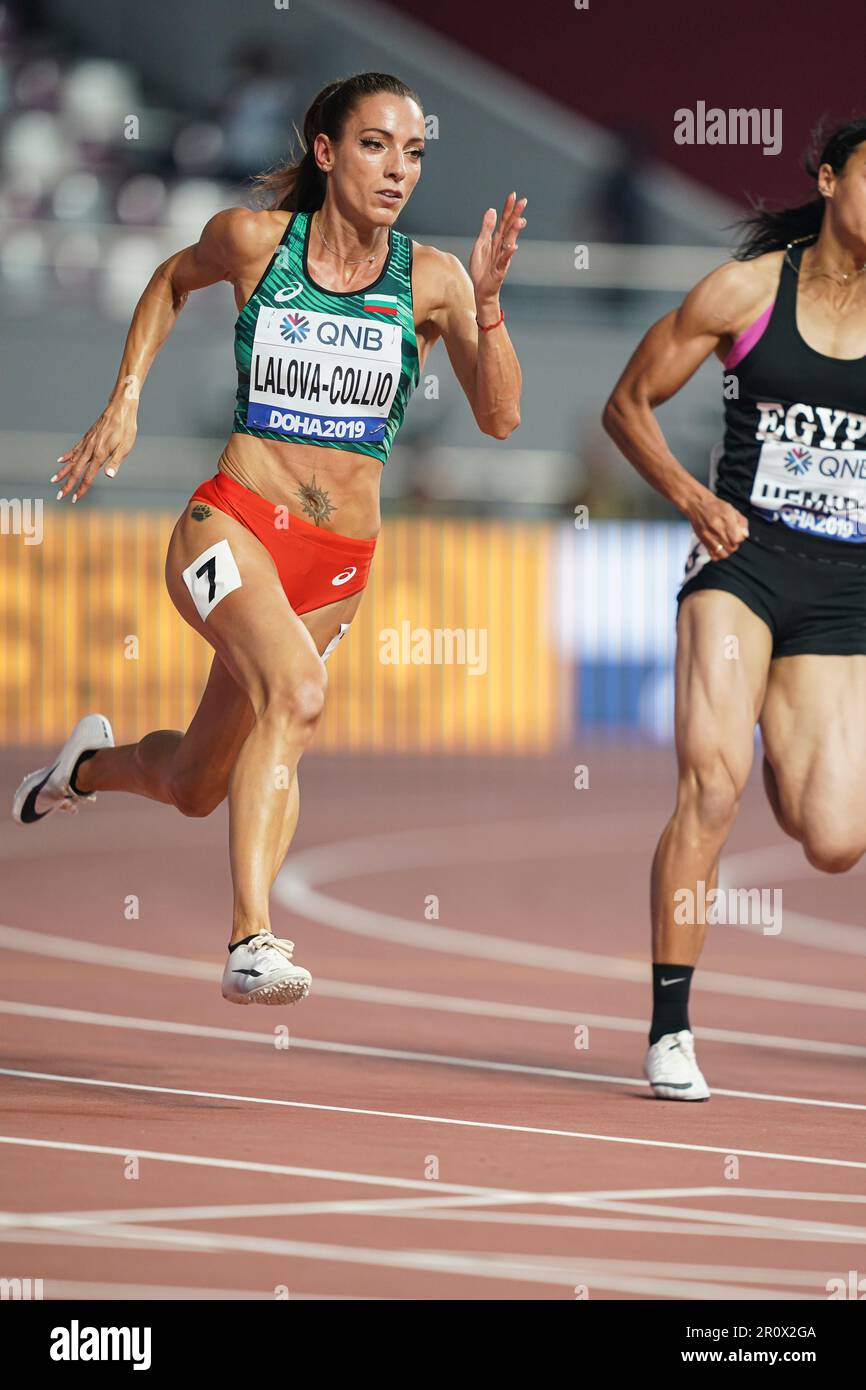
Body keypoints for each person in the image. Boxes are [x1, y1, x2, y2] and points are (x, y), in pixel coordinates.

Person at [14, 72, 525, 1006]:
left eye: (414, 152)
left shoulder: (436, 280)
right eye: (376, 145)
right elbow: (171, 279)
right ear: (327, 153)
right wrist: (124, 399)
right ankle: (253, 936)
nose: (398, 169)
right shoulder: (255, 243)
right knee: (297, 688)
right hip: (232, 524)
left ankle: (79, 767)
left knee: (196, 782)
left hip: (335, 569)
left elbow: (500, 417)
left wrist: (487, 308)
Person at [603, 117, 866, 1099]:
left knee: (834, 837)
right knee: (709, 785)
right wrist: (691, 497)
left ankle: (783, 725)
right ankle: (669, 1027)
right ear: (829, 178)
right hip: (743, 568)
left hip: (844, 594)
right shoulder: (747, 290)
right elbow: (626, 403)